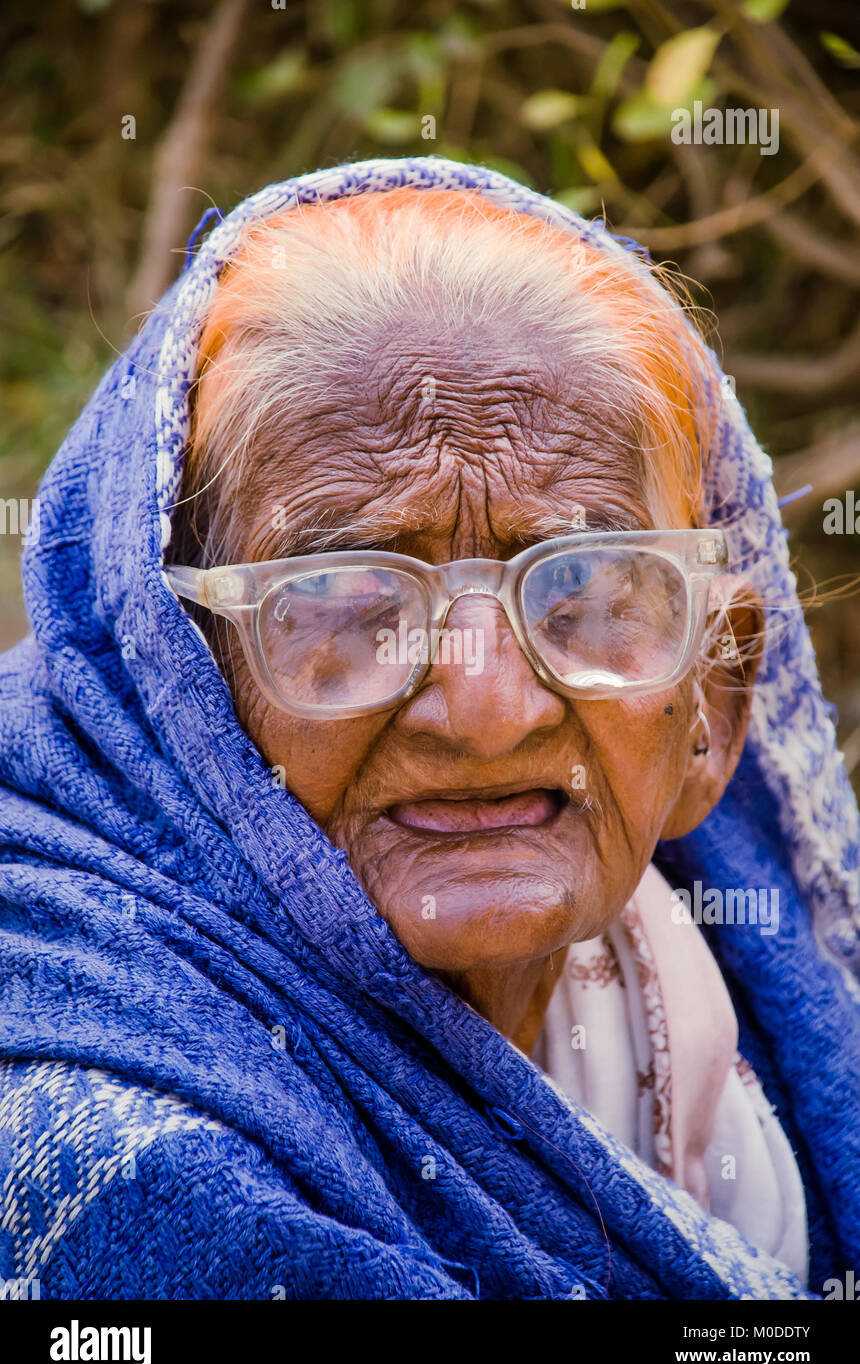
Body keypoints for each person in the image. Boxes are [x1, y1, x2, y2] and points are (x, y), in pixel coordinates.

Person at [0, 157, 857, 1300]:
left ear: (711, 699)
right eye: (348, 599)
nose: (488, 709)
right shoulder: (108, 1154)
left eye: (586, 585)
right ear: (177, 698)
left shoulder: (751, 1031)